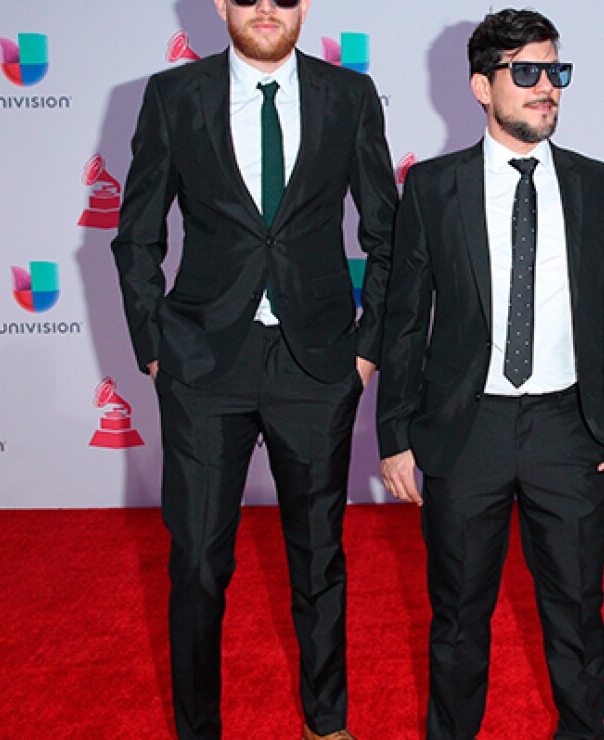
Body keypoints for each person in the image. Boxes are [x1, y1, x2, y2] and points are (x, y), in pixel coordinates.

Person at [109, 0, 397, 736]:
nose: (265, 5)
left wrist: (367, 349)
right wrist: (154, 346)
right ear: (219, 5)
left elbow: (388, 233)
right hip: (205, 365)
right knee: (200, 565)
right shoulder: (174, 97)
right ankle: (197, 728)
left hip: (318, 362)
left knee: (319, 560)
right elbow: (135, 234)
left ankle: (327, 723)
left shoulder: (349, 96)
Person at [376, 9, 604, 739]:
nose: (544, 88)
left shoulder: (597, 184)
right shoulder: (434, 187)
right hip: (469, 429)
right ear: (480, 86)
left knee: (577, 609)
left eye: (554, 72)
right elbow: (405, 319)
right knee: (459, 613)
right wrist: (393, 435)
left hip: (568, 425)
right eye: (525, 73)